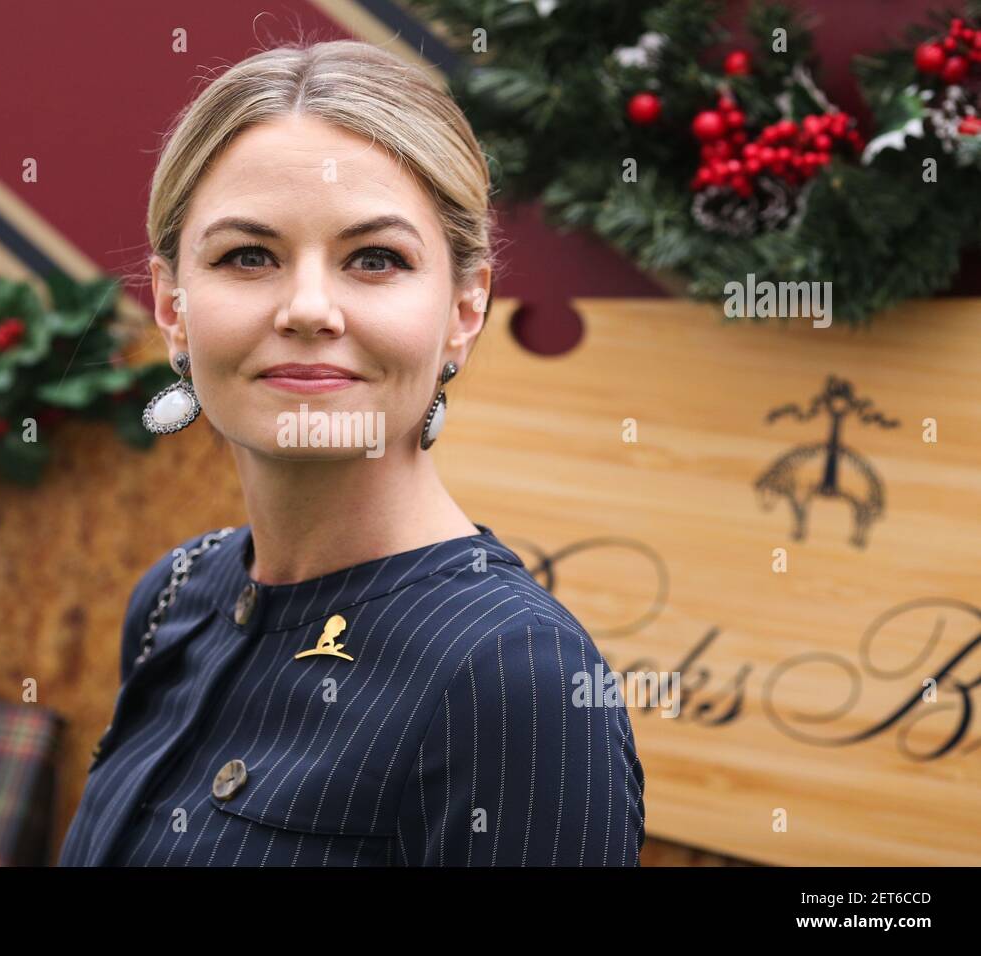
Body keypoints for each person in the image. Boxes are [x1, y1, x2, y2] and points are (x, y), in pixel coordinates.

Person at [59, 38, 645, 867]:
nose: (308, 308)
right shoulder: (176, 595)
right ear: (172, 306)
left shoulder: (518, 684)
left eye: (375, 259)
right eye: (247, 256)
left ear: (464, 311)